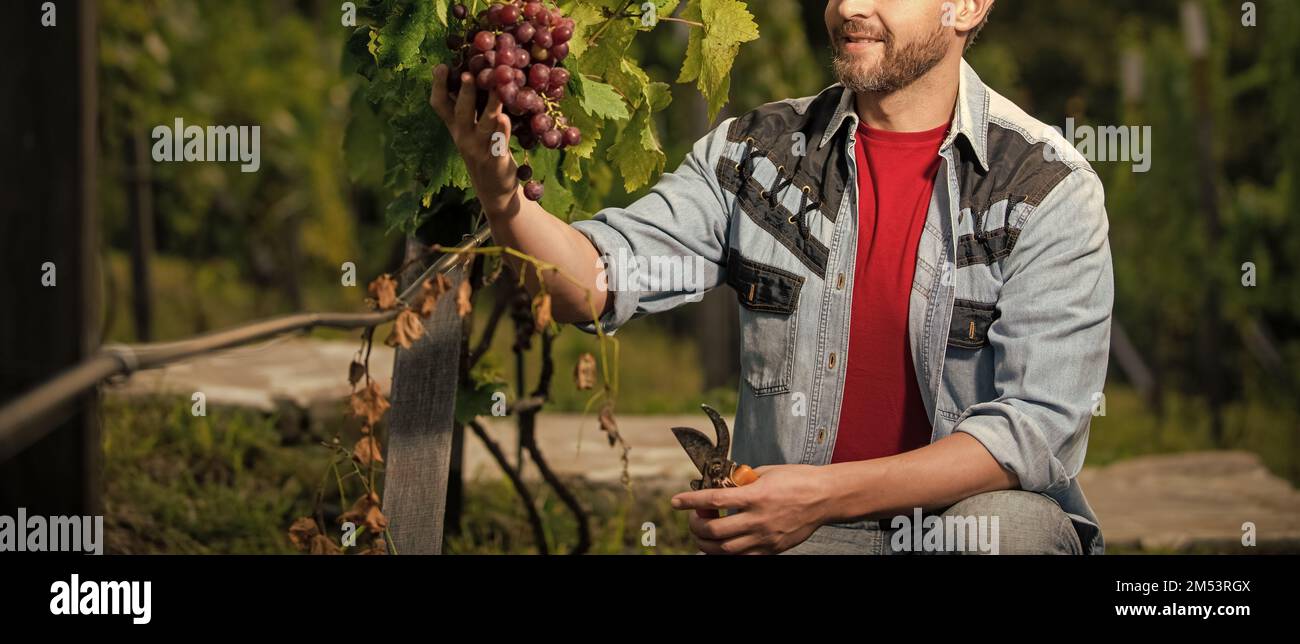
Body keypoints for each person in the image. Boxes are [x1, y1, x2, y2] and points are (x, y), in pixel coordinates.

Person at [428, 0, 1112, 555]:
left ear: (965, 7)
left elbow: (1036, 431)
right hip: (798, 535)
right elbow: (593, 284)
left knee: (1005, 535)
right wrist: (502, 196)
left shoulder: (1044, 187)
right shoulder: (757, 156)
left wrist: (820, 495)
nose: (848, 8)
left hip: (957, 526)